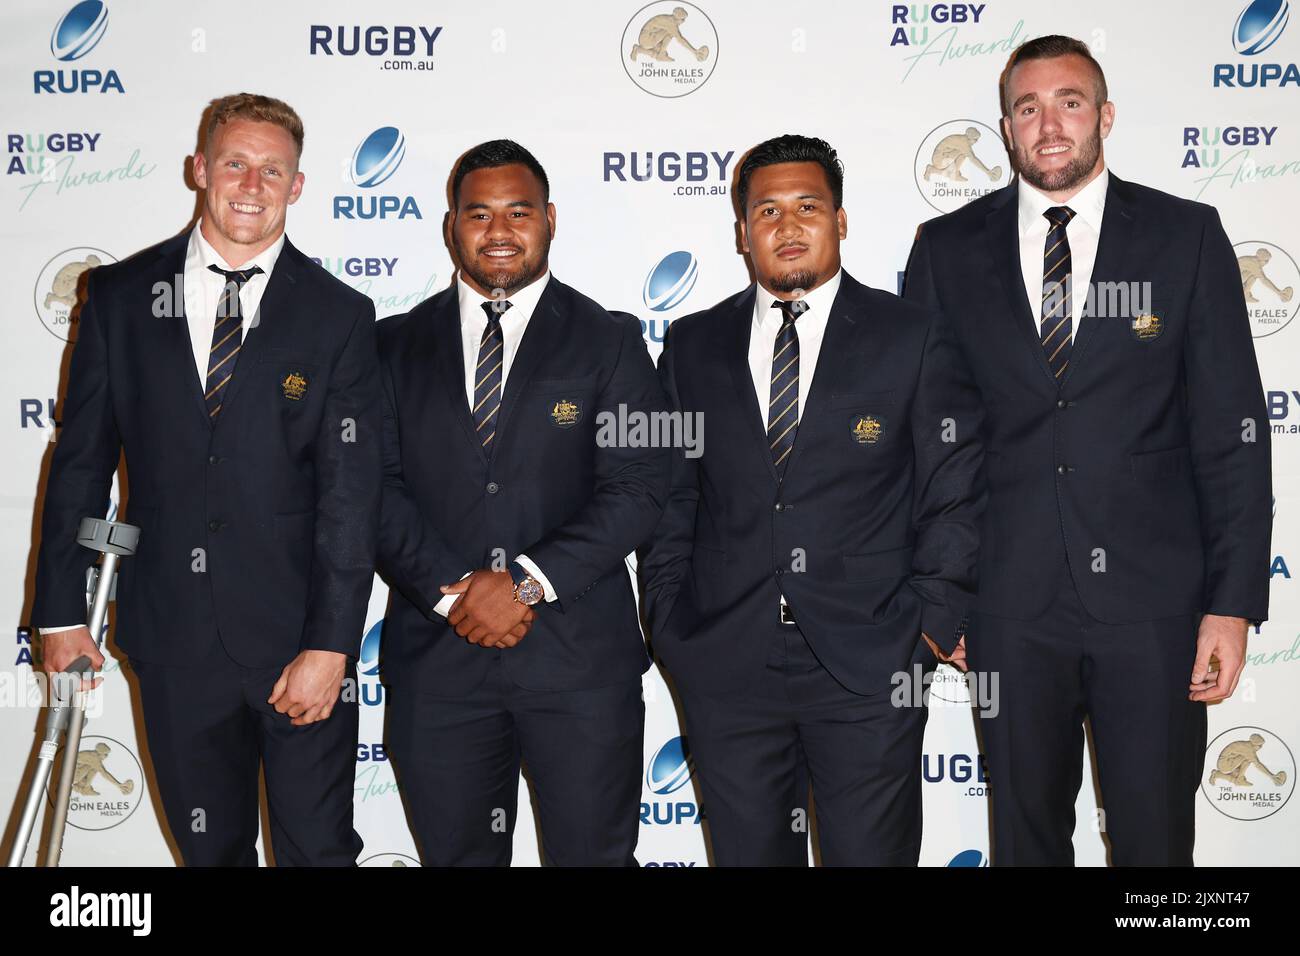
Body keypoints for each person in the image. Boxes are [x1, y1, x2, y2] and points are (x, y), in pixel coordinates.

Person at [904, 35, 1272, 865]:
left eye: (1069, 102)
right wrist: (943, 591)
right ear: (1004, 129)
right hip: (1007, 601)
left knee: (1154, 842)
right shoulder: (946, 249)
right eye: (1027, 109)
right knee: (1025, 842)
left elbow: (1233, 434)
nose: (1049, 125)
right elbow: (927, 444)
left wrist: (1232, 600)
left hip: (1157, 605)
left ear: (1104, 115)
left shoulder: (1186, 236)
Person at [31, 93, 381, 866]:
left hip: (298, 647)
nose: (250, 184)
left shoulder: (338, 315)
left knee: (318, 852)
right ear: (199, 169)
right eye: (234, 163)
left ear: (297, 186)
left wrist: (331, 645)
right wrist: (59, 614)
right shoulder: (120, 297)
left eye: (272, 170)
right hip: (172, 637)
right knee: (208, 854)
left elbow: (352, 496)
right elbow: (82, 461)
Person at [638, 134, 984, 865]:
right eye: (766, 210)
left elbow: (952, 486)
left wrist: (926, 623)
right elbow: (672, 496)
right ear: (741, 231)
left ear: (841, 219)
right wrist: (670, 621)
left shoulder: (911, 335)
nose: (788, 227)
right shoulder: (694, 344)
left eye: (807, 206)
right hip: (728, 663)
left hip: (871, 661)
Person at [376, 140, 669, 866]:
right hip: (438, 664)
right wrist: (456, 599)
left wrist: (526, 583)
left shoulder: (612, 341)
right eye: (478, 213)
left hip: (579, 667)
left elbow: (640, 488)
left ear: (551, 219)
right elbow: (371, 490)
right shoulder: (390, 346)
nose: (498, 230)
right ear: (451, 227)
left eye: (518, 211)